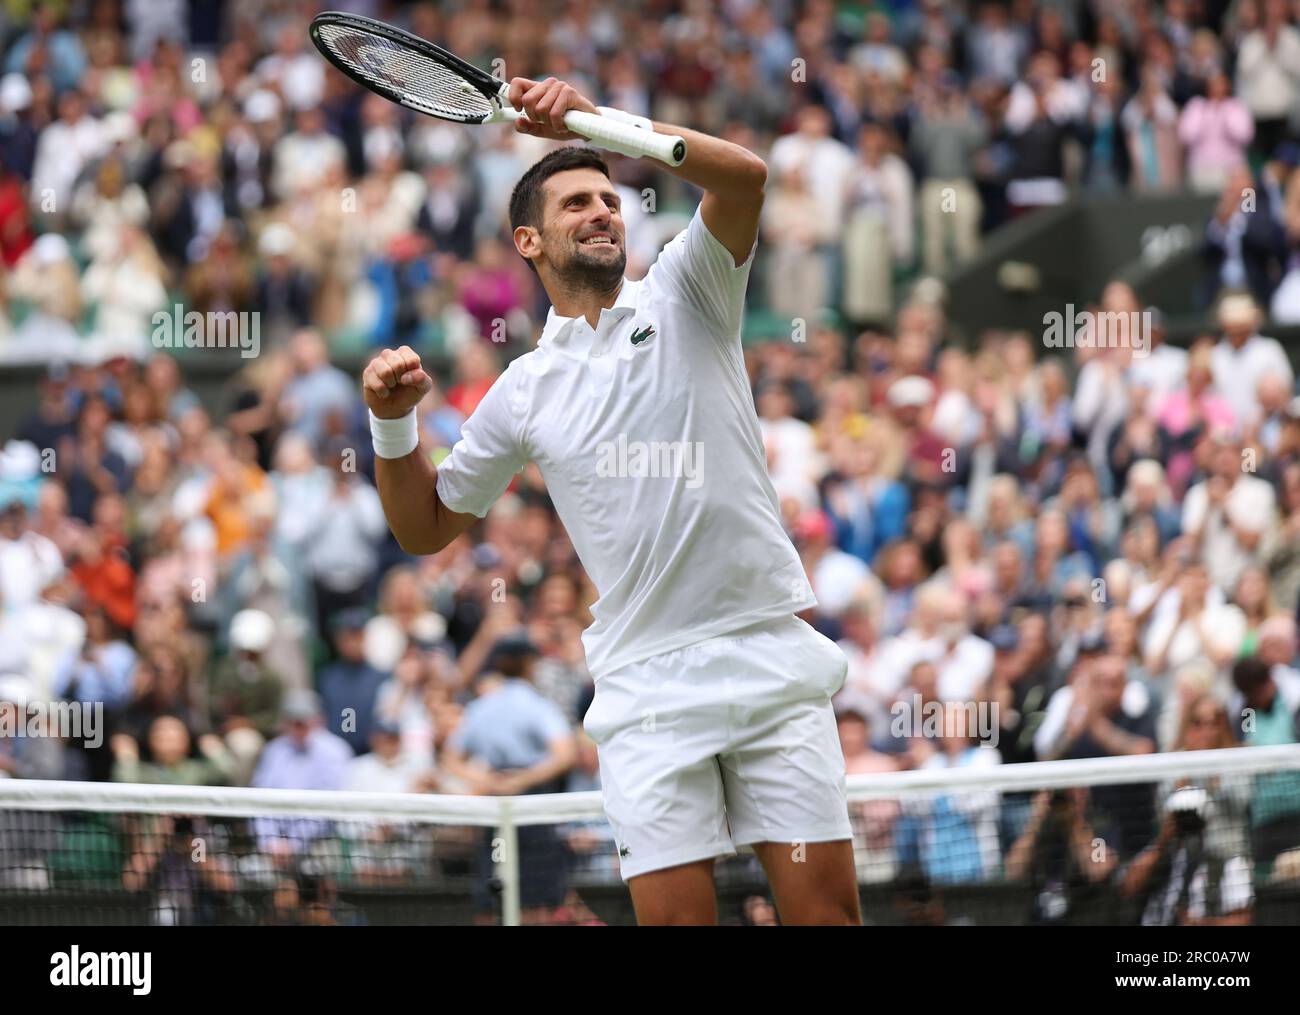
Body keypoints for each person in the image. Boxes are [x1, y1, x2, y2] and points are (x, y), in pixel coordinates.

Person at [362, 78, 859, 925]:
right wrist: (391, 426)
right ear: (528, 239)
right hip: (647, 690)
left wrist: (599, 124)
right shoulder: (523, 391)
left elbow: (743, 177)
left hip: (769, 655)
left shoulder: (686, 289)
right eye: (576, 202)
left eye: (610, 198)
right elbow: (424, 526)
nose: (602, 211)